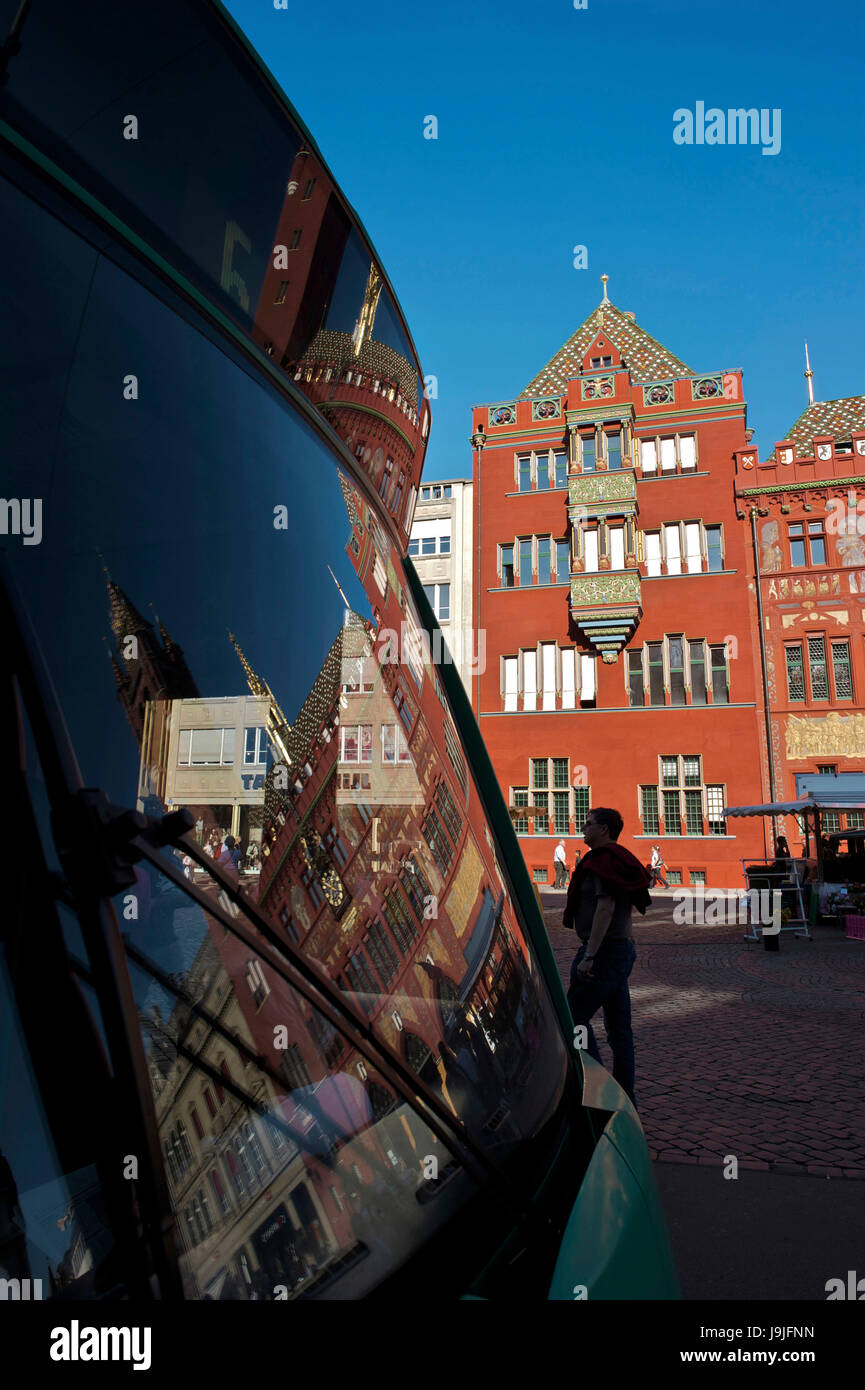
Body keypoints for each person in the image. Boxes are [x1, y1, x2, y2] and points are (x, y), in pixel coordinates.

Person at [563, 808, 651, 1108]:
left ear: (603, 829)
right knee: (619, 1029)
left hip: (603, 953)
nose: (583, 828)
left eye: (588, 824)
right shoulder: (617, 858)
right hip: (619, 950)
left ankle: (596, 1088)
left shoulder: (603, 862)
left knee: (572, 1016)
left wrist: (590, 955)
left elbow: (605, 908)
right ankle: (625, 1095)